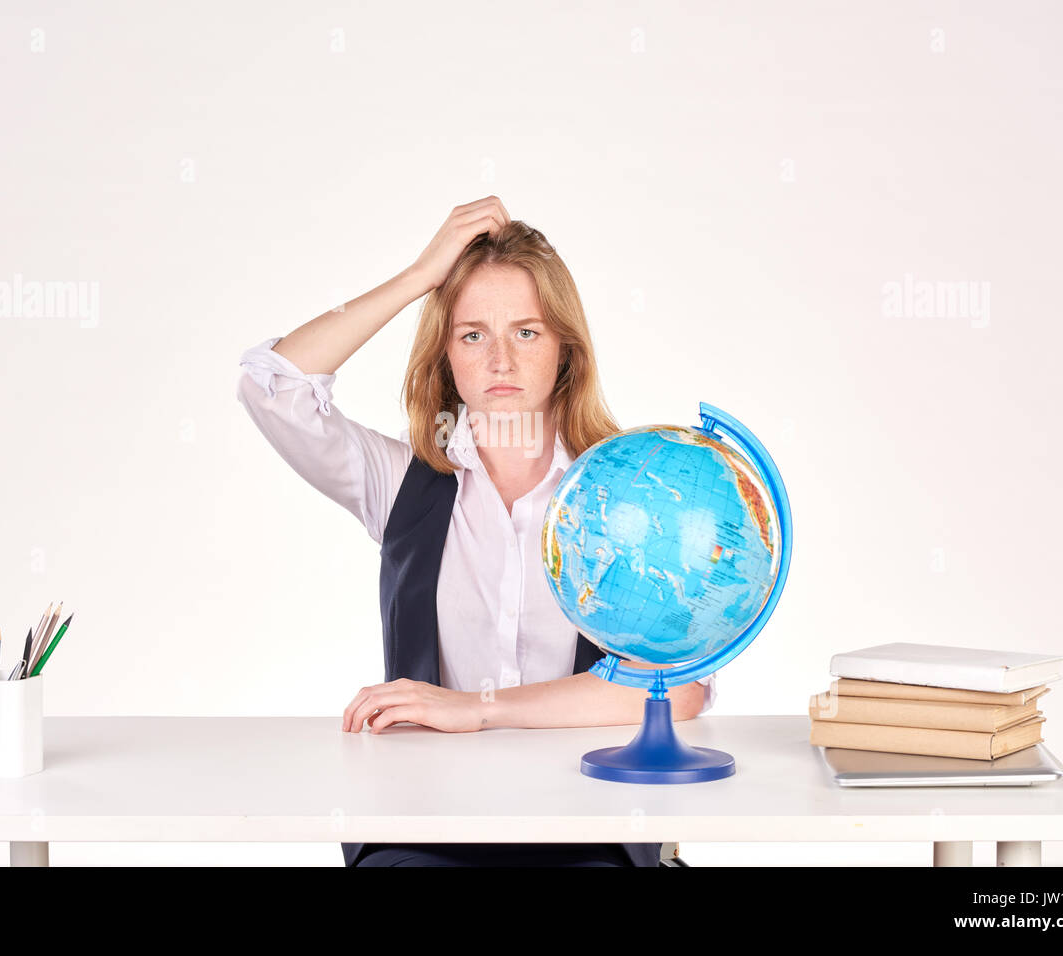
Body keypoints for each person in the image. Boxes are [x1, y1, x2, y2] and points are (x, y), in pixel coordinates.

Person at [235, 196, 717, 866]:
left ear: (563, 353)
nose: (500, 361)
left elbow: (675, 689)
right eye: (471, 335)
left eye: (526, 332)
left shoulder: (623, 496)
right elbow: (271, 388)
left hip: (586, 832)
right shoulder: (402, 481)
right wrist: (420, 276)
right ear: (446, 358)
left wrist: (478, 710)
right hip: (425, 830)